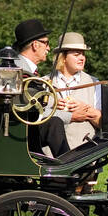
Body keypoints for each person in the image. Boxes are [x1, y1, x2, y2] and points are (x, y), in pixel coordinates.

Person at [12, 19, 71, 158]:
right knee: (54, 123)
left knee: (54, 122)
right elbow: (28, 108)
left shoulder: (25, 70)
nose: (49, 48)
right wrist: (72, 115)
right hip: (20, 132)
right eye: (46, 43)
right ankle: (68, 170)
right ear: (35, 45)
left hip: (24, 130)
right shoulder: (20, 71)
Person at [50, 32, 102, 150]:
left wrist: (86, 109)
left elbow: (104, 123)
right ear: (62, 57)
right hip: (50, 159)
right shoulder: (44, 83)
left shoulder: (94, 83)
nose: (82, 58)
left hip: (85, 156)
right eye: (77, 54)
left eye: (83, 54)